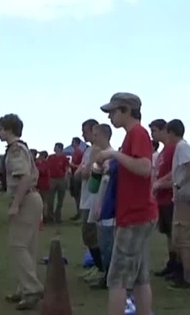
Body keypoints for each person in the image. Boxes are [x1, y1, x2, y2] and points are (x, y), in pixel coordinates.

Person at [95, 92, 156, 315]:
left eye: (113, 111)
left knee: (117, 279)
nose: (110, 116)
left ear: (126, 110)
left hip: (135, 215)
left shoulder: (137, 133)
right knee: (140, 277)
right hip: (138, 214)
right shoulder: (134, 135)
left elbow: (144, 167)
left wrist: (114, 155)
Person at [0, 113, 44, 310]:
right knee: (27, 246)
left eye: (0, 128)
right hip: (32, 198)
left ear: (8, 129)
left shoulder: (16, 150)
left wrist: (15, 203)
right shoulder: (23, 148)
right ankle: (23, 287)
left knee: (17, 245)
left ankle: (32, 288)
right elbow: (35, 173)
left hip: (25, 199)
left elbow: (24, 177)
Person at [165, 119, 190, 290]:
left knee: (183, 239)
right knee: (178, 238)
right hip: (182, 198)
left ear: (171, 132)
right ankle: (181, 274)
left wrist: (180, 183)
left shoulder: (182, 147)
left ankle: (188, 278)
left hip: (187, 199)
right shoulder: (181, 148)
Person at [84, 122, 114, 289]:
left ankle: (110, 277)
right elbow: (93, 184)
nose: (92, 138)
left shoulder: (111, 155)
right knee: (102, 240)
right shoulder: (100, 156)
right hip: (98, 201)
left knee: (108, 242)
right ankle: (106, 274)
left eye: (95, 135)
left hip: (108, 205)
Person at [149, 118, 178, 281]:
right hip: (161, 197)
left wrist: (160, 183)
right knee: (167, 232)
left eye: (154, 131)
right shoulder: (163, 151)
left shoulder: (173, 148)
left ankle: (177, 264)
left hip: (170, 196)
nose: (153, 135)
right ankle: (171, 262)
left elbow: (176, 170)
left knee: (174, 233)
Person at [76, 119, 103, 282]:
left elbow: (86, 173)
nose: (82, 134)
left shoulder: (97, 150)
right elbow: (80, 170)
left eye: (84, 130)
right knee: (87, 234)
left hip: (93, 198)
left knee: (91, 233)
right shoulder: (88, 150)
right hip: (86, 197)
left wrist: (82, 171)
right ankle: (97, 266)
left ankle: (101, 267)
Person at [47, 142, 71, 223]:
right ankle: (50, 217)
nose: (54, 148)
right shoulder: (50, 157)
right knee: (50, 199)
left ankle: (58, 217)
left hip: (61, 179)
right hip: (52, 179)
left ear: (59, 148)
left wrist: (66, 178)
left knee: (60, 200)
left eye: (56, 147)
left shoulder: (64, 158)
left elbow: (67, 168)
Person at [69, 136, 86, 220]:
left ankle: (81, 214)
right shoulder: (74, 152)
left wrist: (73, 165)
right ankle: (78, 213)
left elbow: (82, 164)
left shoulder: (79, 153)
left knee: (78, 195)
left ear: (76, 143)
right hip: (73, 175)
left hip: (78, 175)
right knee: (75, 195)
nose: (72, 143)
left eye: (73, 142)